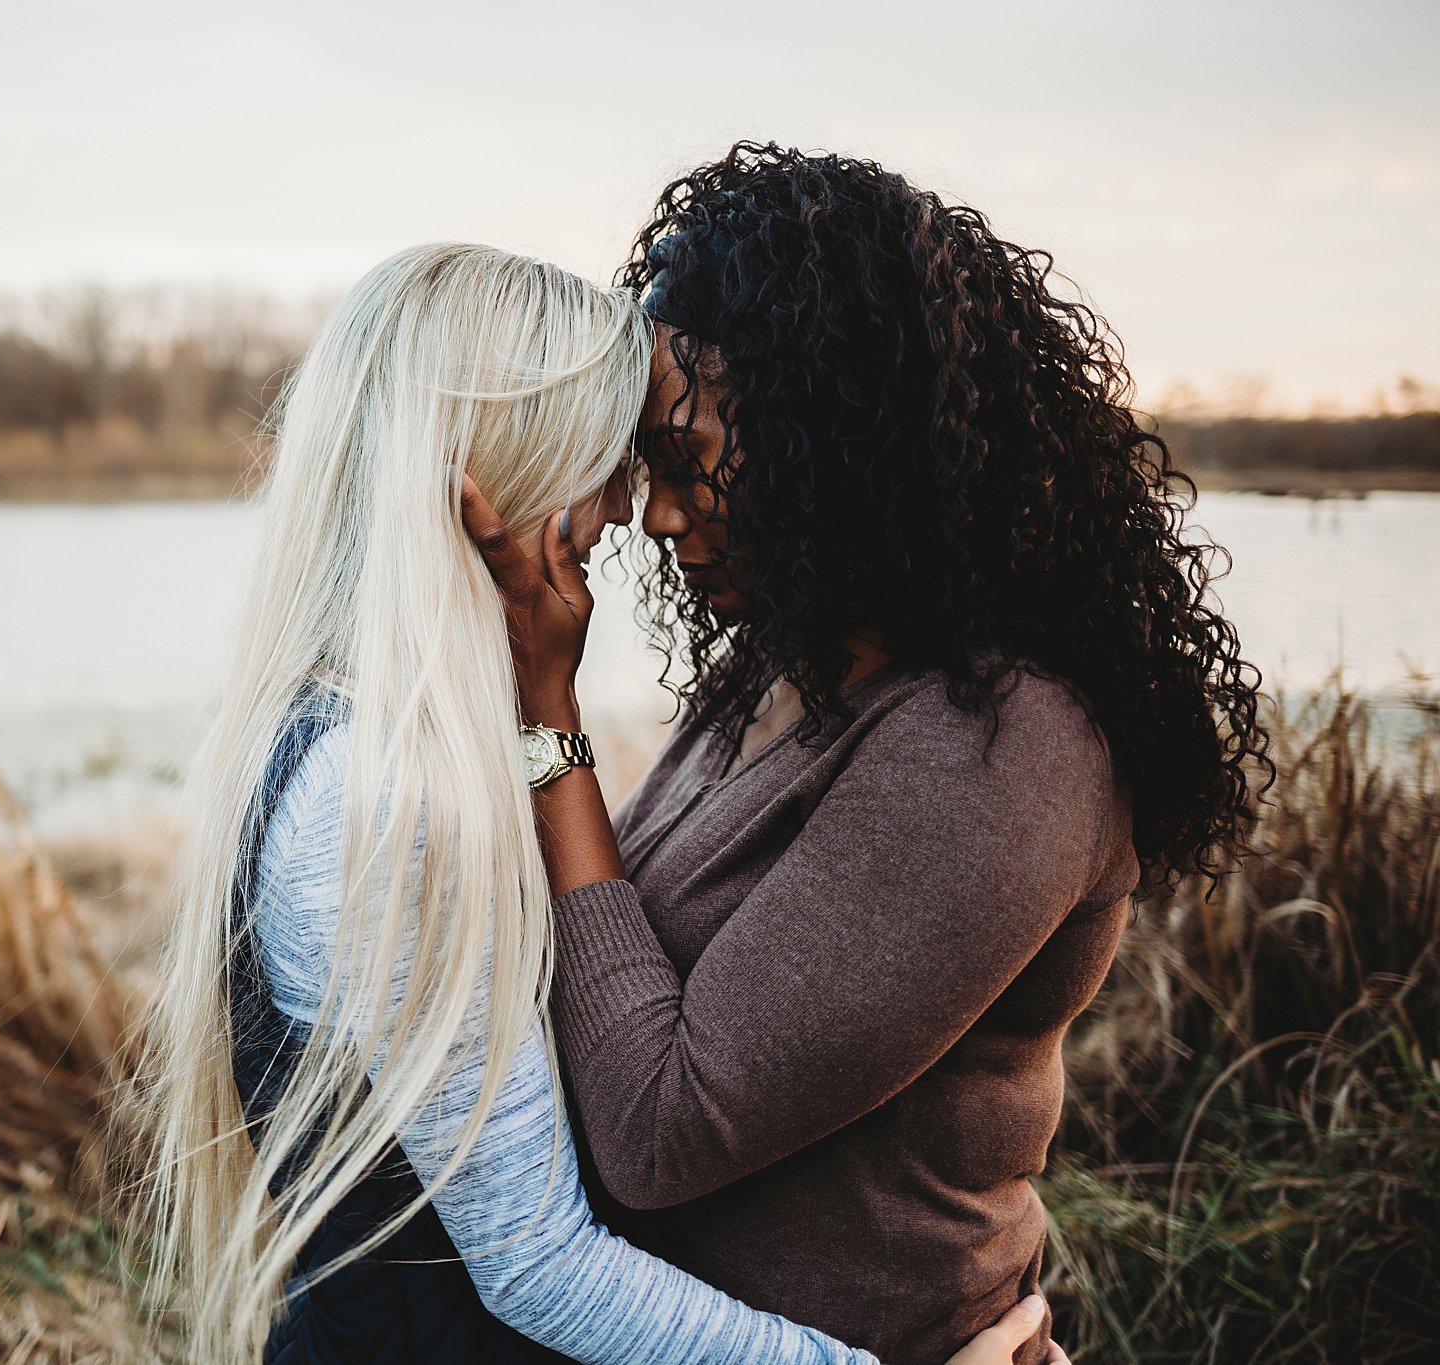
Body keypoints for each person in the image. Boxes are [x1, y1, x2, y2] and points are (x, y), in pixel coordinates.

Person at [136, 242, 1068, 1365]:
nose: (625, 508)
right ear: (492, 472)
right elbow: (538, 1267)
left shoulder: (335, 737)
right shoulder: (381, 801)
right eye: (605, 460)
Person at [461, 143, 1271, 1365]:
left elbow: (658, 1125)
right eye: (648, 465)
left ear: (833, 442)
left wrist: (545, 716)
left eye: (685, 463)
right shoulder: (779, 664)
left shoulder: (1004, 746)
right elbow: (604, 961)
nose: (661, 517)